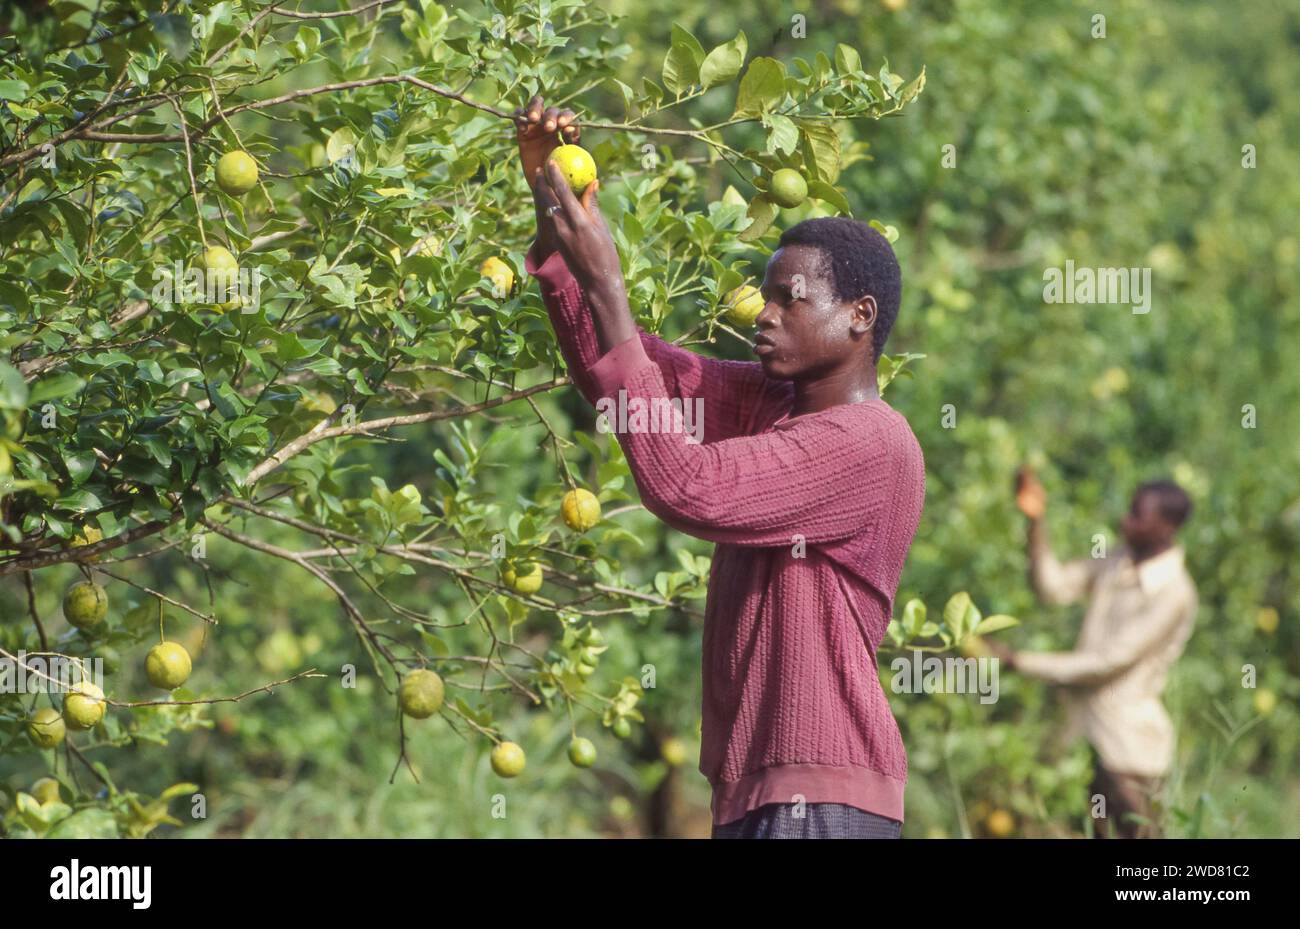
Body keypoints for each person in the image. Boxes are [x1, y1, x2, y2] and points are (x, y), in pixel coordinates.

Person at [513, 97, 926, 839]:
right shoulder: (773, 401)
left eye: (787, 298)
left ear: (860, 315)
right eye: (762, 296)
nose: (761, 314)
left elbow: (687, 485)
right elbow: (623, 372)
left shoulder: (871, 442)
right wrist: (553, 200)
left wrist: (610, 284)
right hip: (757, 792)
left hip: (821, 800)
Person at [992, 468, 1198, 838]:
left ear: (1167, 526)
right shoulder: (1116, 562)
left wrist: (1016, 661)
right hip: (1084, 737)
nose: (1125, 519)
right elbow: (1052, 588)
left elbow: (1107, 663)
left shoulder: (1174, 593)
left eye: (1138, 514)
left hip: (1129, 750)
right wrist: (1036, 521)